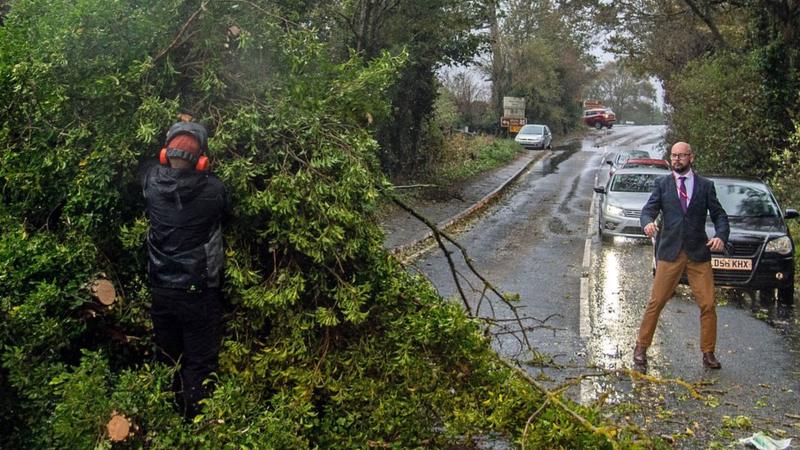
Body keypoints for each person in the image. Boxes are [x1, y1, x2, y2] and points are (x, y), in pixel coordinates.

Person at [142, 120, 227, 418]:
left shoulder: (152, 183)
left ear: (165, 154)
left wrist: (181, 129)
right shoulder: (214, 190)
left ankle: (165, 419)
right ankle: (193, 423)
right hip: (198, 292)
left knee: (167, 358)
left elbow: (150, 170)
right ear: (203, 161)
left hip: (161, 290)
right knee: (199, 364)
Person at [633, 142, 729, 369]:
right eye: (674, 156)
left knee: (708, 304)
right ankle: (641, 347)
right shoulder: (662, 184)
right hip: (670, 252)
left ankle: (708, 353)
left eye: (681, 156)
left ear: (691, 158)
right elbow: (648, 210)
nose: (677, 160)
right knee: (656, 301)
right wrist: (647, 223)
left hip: (698, 253)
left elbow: (720, 215)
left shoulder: (706, 186)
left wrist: (721, 236)